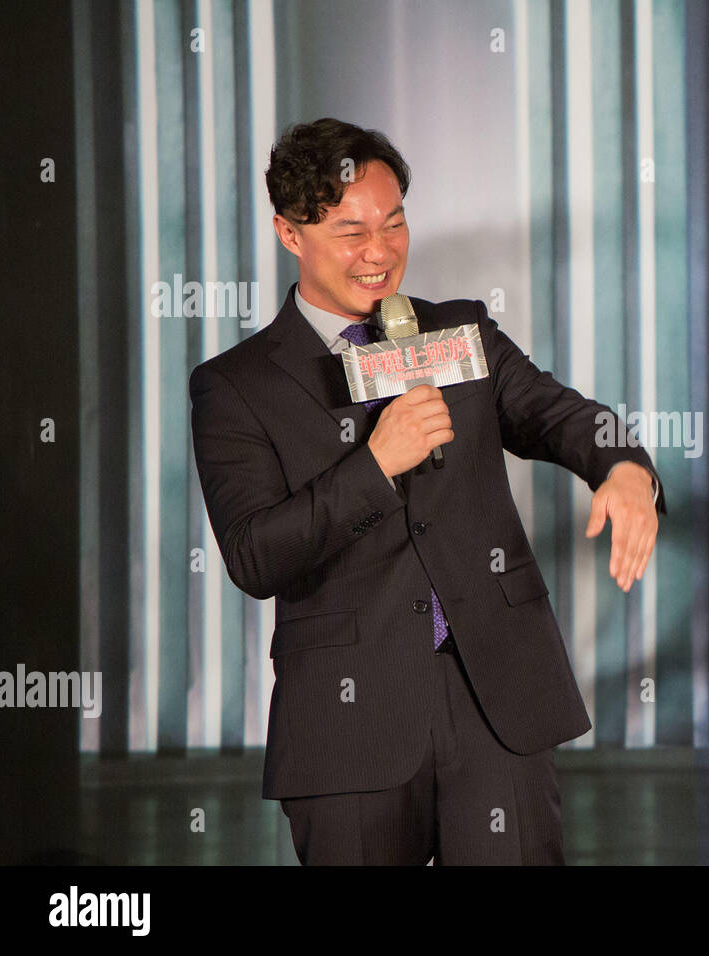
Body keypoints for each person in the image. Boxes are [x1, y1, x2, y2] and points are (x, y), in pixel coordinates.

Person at [189, 118, 665, 865]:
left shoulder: (457, 334)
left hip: (495, 695)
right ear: (289, 234)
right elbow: (254, 555)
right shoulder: (236, 385)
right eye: (350, 232)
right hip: (349, 718)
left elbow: (559, 416)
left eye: (394, 223)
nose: (379, 252)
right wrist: (374, 465)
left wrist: (625, 467)